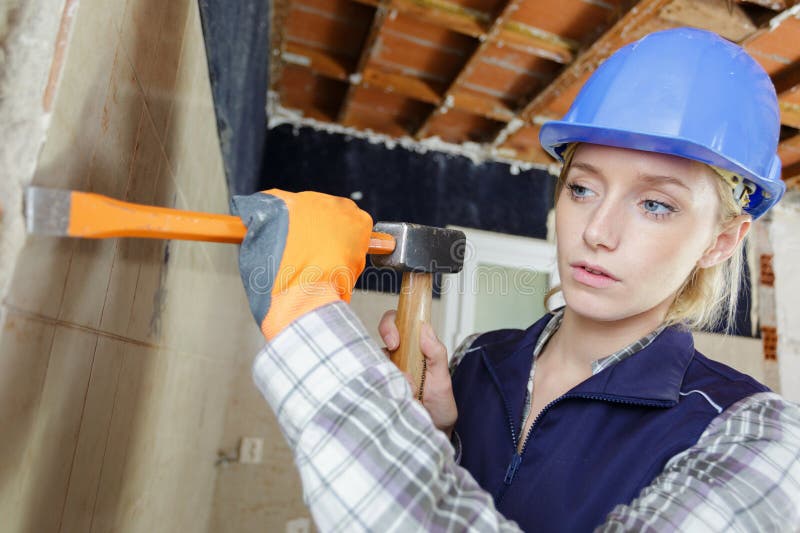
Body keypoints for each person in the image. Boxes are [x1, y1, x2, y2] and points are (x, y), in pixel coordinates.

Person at [231, 28, 800, 531]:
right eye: (582, 188)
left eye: (655, 204)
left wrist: (309, 316)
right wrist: (436, 441)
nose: (596, 231)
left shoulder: (753, 435)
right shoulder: (477, 362)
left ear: (722, 241)